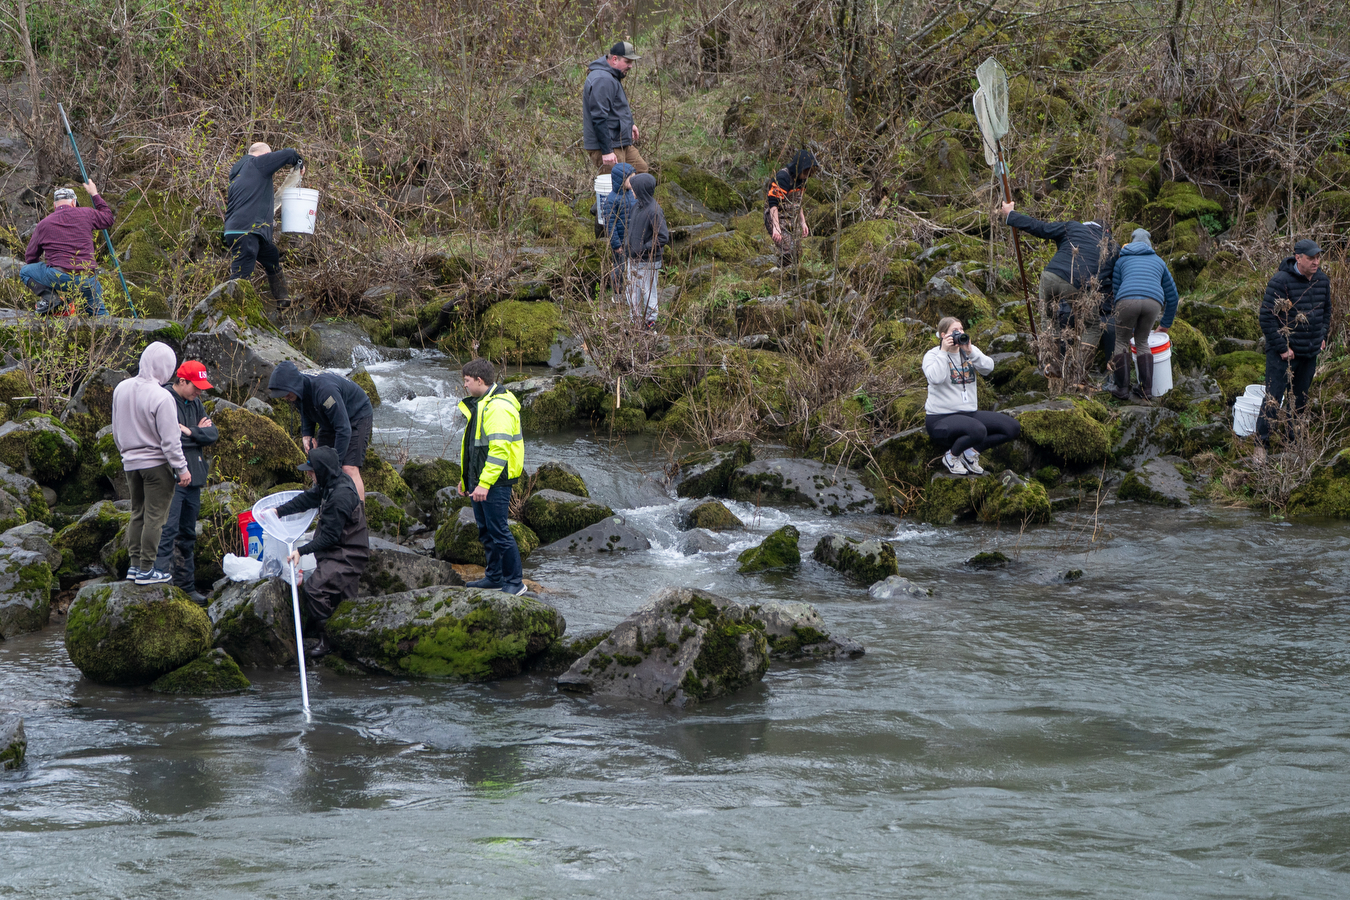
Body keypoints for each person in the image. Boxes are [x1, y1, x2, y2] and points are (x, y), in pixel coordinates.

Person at [264, 446, 369, 659]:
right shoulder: (328, 483)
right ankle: (344, 640)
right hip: (337, 550)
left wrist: (300, 551)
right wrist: (279, 511)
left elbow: (329, 536)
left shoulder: (340, 496)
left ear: (321, 470)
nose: (308, 474)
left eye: (311, 471)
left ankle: (326, 640)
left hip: (349, 555)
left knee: (314, 588)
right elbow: (307, 499)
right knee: (347, 603)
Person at [999, 201, 1116, 372]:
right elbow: (1110, 281)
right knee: (1092, 326)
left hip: (1049, 276)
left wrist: (1011, 214)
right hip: (1076, 284)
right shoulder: (1112, 247)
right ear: (1106, 233)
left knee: (1049, 320)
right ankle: (1078, 373)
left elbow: (1040, 228)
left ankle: (1052, 366)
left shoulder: (1072, 227)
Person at [111, 342, 192, 585]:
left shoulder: (121, 388)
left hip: (130, 463)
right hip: (156, 465)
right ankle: (148, 569)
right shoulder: (161, 396)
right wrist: (182, 468)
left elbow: (116, 431)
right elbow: (170, 440)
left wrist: (126, 453)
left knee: (137, 513)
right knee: (155, 518)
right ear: (166, 367)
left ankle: (135, 567)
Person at [151, 361, 219, 605]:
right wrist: (196, 435)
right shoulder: (164, 399)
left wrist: (191, 432)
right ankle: (161, 585)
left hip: (195, 478)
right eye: (196, 386)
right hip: (173, 478)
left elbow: (213, 434)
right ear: (181, 381)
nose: (200, 392)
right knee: (167, 531)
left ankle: (186, 587)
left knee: (188, 534)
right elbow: (167, 439)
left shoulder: (196, 403)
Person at [457, 359, 525, 594]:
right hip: (482, 480)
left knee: (499, 532)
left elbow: (499, 451)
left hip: (496, 481)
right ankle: (495, 577)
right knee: (486, 530)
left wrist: (484, 483)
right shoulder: (482, 403)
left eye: (467, 381)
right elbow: (475, 449)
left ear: (479, 380)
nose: (465, 385)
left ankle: (515, 583)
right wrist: (467, 479)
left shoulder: (498, 407)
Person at [1256, 238, 1332, 450]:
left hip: (1310, 351)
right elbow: (1266, 317)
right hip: (1284, 353)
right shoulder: (1281, 281)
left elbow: (1326, 311)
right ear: (1298, 258)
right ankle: (1261, 444)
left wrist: (1322, 335)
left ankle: (1293, 442)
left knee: (1300, 400)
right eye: (1311, 258)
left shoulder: (1322, 281)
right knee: (1273, 398)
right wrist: (1282, 348)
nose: (1316, 262)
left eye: (1318, 257)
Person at [923, 317, 1021, 475]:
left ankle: (970, 454)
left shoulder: (968, 351)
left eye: (961, 329)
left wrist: (970, 351)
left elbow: (988, 368)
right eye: (955, 331)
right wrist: (943, 351)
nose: (960, 333)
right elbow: (936, 378)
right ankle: (951, 457)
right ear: (943, 335)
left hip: (969, 414)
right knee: (978, 430)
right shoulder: (933, 355)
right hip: (940, 419)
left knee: (1012, 428)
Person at [267, 361, 373, 500]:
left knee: (348, 468)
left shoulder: (325, 393)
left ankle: (358, 517)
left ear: (294, 384)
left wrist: (336, 463)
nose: (285, 397)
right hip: (330, 419)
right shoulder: (297, 391)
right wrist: (307, 434)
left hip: (356, 416)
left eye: (286, 393)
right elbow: (305, 409)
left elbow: (343, 428)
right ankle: (325, 508)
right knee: (319, 464)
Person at [224, 142, 305, 308]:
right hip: (246, 231)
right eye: (269, 155)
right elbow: (289, 153)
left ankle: (283, 300)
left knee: (271, 257)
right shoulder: (256, 163)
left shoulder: (239, 171)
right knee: (241, 275)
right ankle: (232, 314)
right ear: (263, 155)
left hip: (244, 230)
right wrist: (299, 163)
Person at [20, 182, 113, 316]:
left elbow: (30, 257)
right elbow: (108, 218)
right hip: (88, 278)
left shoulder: (43, 224)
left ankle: (51, 299)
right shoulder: (86, 213)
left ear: (54, 206)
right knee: (99, 315)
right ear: (74, 203)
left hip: (58, 276)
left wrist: (47, 285)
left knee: (25, 272)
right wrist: (94, 194)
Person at [1108, 228, 1179, 400]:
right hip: (1153, 302)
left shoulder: (1121, 261)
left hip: (1126, 300)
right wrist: (1165, 325)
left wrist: (1125, 318)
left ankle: (1122, 389)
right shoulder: (1159, 261)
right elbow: (1173, 297)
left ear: (1131, 242)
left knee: (1121, 341)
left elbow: (1116, 292)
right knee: (1142, 341)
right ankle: (1146, 390)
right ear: (1149, 244)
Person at [582, 41, 648, 175]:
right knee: (618, 185)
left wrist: (630, 125)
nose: (630, 66)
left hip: (619, 140)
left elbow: (615, 109)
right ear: (614, 59)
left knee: (641, 171)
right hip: (607, 145)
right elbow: (599, 117)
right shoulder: (602, 79)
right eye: (627, 61)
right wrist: (606, 151)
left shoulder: (611, 75)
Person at [624, 173, 669, 328]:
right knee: (631, 293)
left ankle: (650, 324)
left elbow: (663, 237)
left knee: (648, 293)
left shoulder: (654, 211)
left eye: (634, 188)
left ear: (641, 189)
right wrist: (627, 247)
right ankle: (635, 322)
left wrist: (644, 248)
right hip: (633, 259)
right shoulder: (637, 206)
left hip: (648, 262)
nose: (632, 191)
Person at [765, 150, 817, 260]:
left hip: (792, 215)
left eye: (810, 173)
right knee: (787, 251)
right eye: (806, 172)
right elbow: (773, 203)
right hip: (776, 215)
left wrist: (803, 222)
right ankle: (779, 274)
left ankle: (785, 272)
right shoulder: (783, 177)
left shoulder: (803, 181)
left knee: (796, 252)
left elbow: (799, 202)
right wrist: (776, 227)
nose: (808, 175)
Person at [601, 162, 637, 300]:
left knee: (632, 267)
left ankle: (631, 293)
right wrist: (616, 244)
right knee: (619, 268)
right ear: (621, 180)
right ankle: (617, 294)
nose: (633, 181)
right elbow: (610, 225)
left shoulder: (632, 195)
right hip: (620, 242)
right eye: (630, 178)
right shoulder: (612, 200)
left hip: (632, 241)